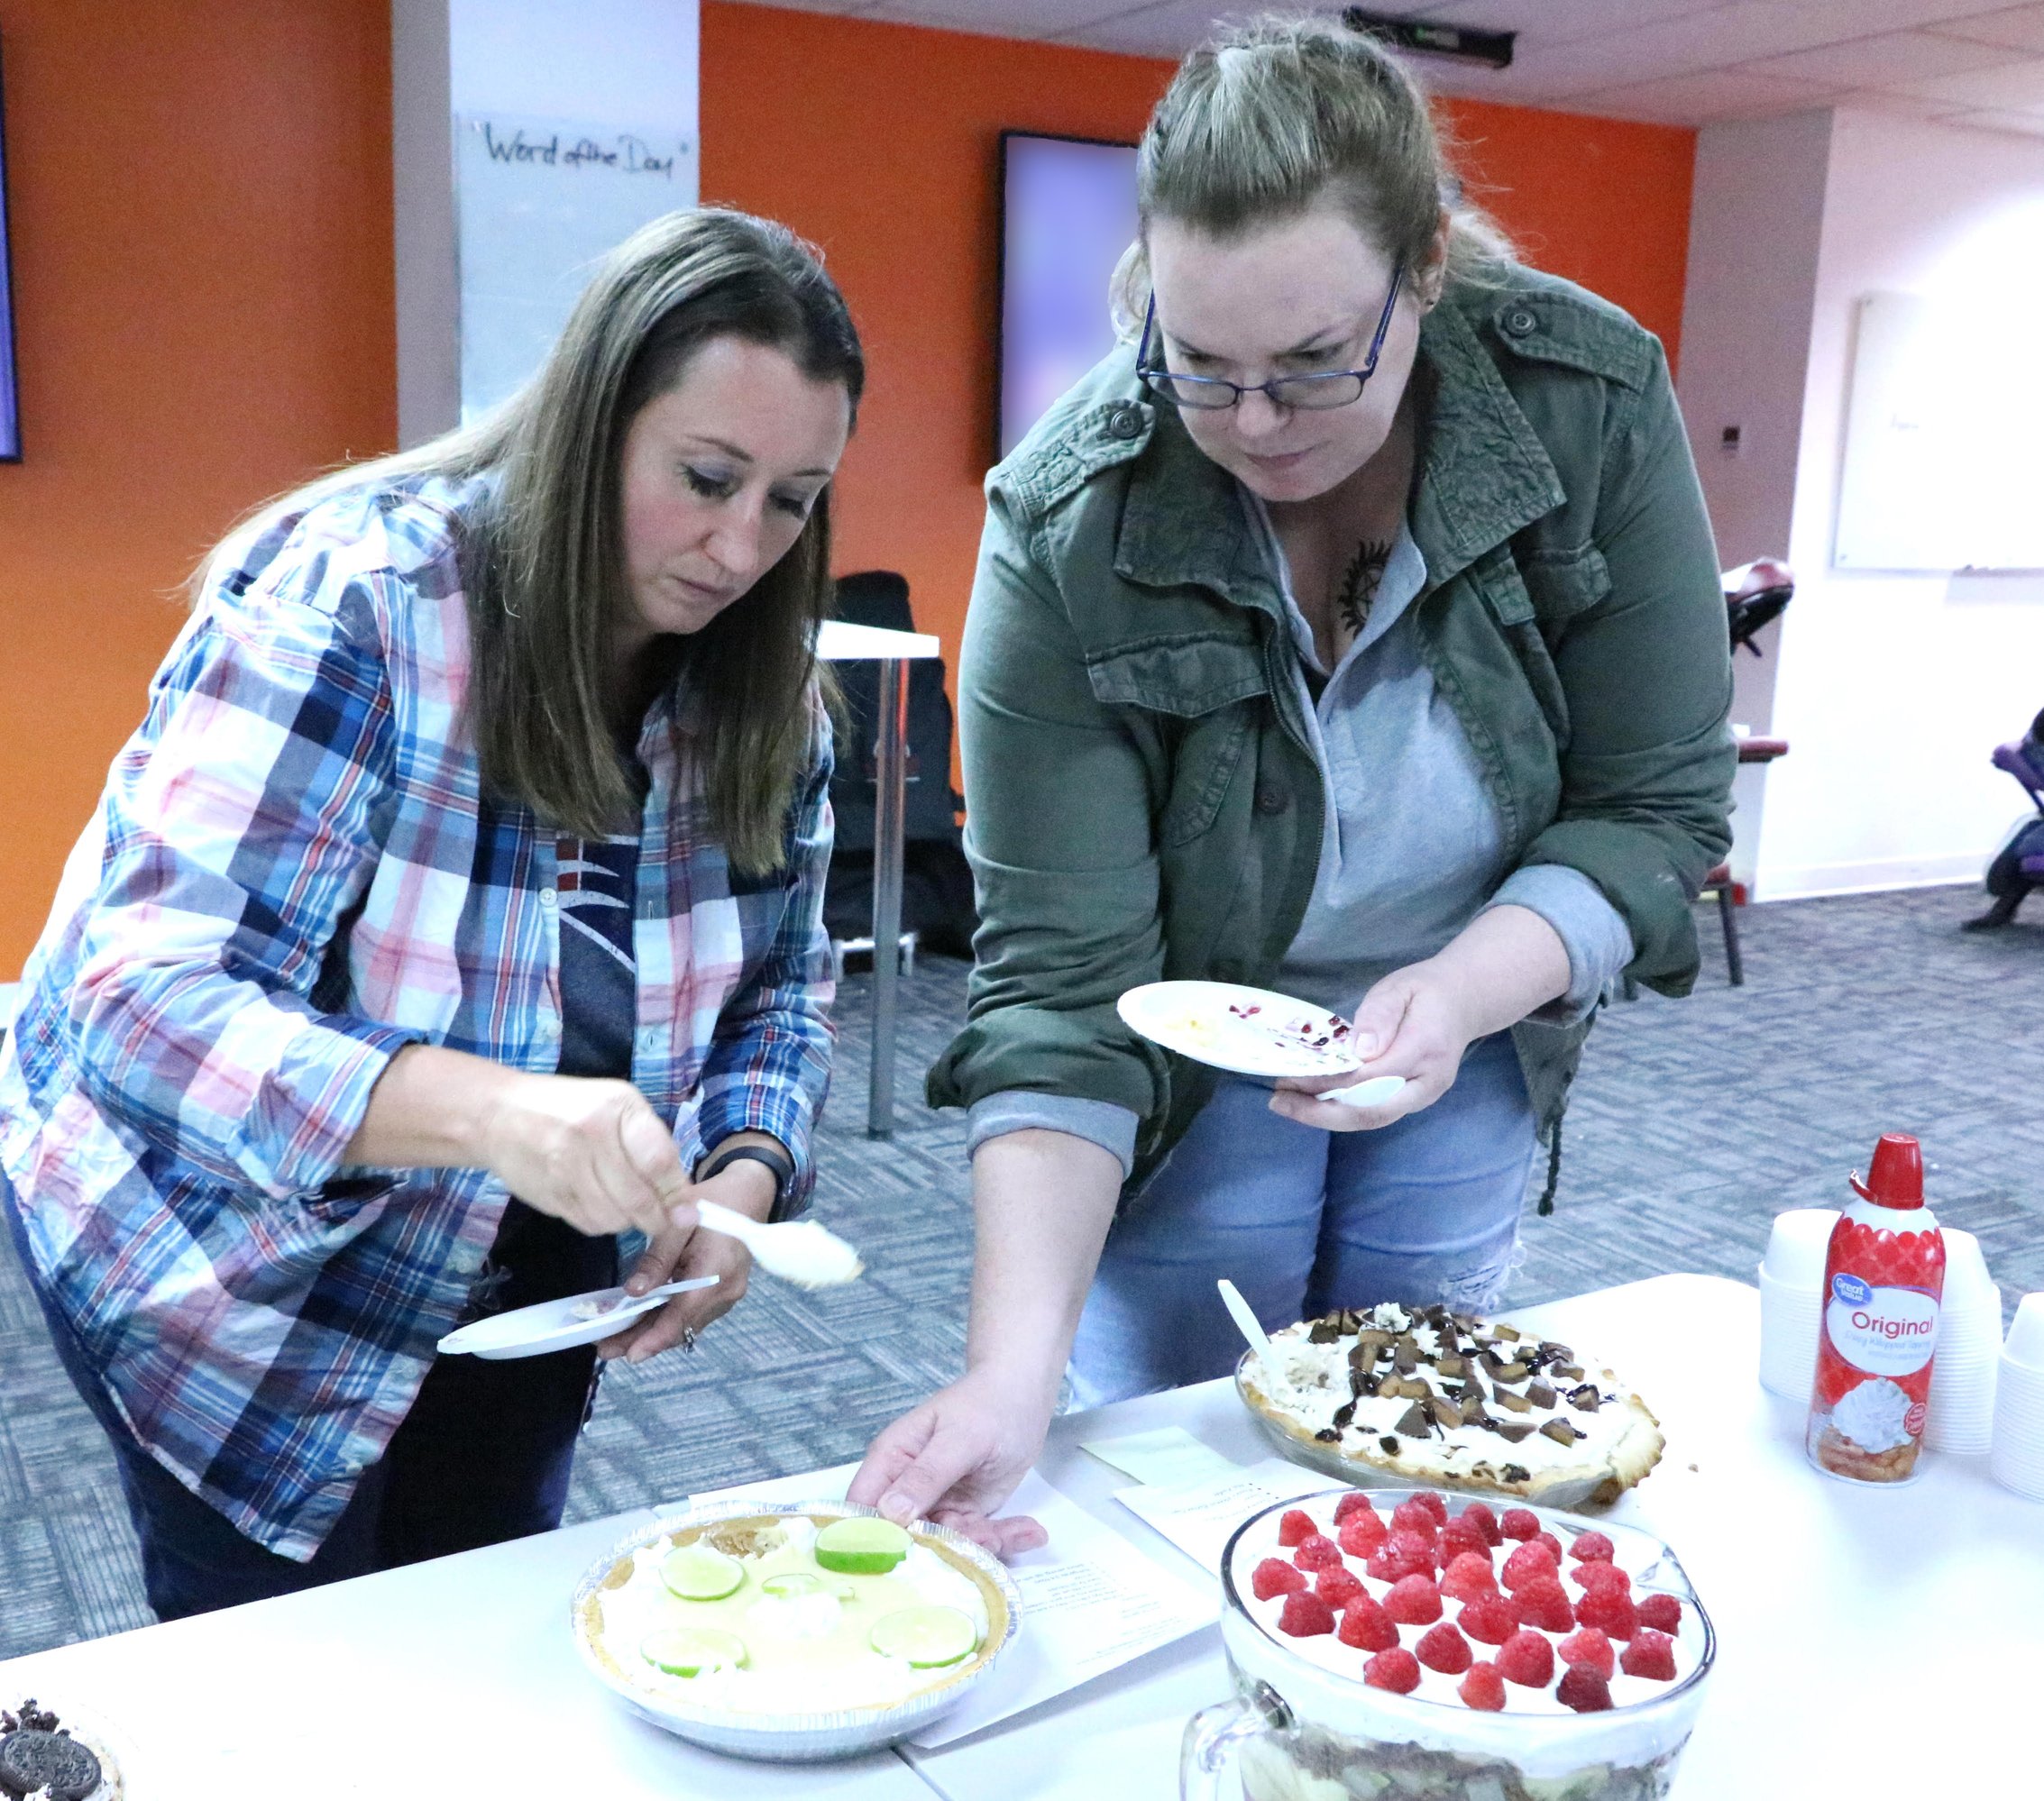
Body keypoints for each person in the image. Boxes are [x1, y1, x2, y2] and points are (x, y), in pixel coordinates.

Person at [851, 17, 1734, 1551]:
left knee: (1426, 1437)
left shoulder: (1586, 404)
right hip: (1191, 1027)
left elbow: (1658, 806)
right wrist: (1008, 1378)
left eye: (1316, 365)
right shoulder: (1070, 516)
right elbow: (1061, 980)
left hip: (1476, 996)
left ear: (1427, 268)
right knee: (1174, 1444)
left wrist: (1460, 991)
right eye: (1201, 366)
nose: (1256, 425)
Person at [0, 208, 861, 1615]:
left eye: (793, 499)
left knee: (480, 1622)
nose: (740, 544)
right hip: (227, 1275)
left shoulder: (766, 699)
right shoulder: (363, 597)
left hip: (523, 1271)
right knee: (291, 1666)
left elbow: (782, 990)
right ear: (593, 427)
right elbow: (142, 1006)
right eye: (707, 477)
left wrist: (743, 1179)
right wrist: (493, 1113)